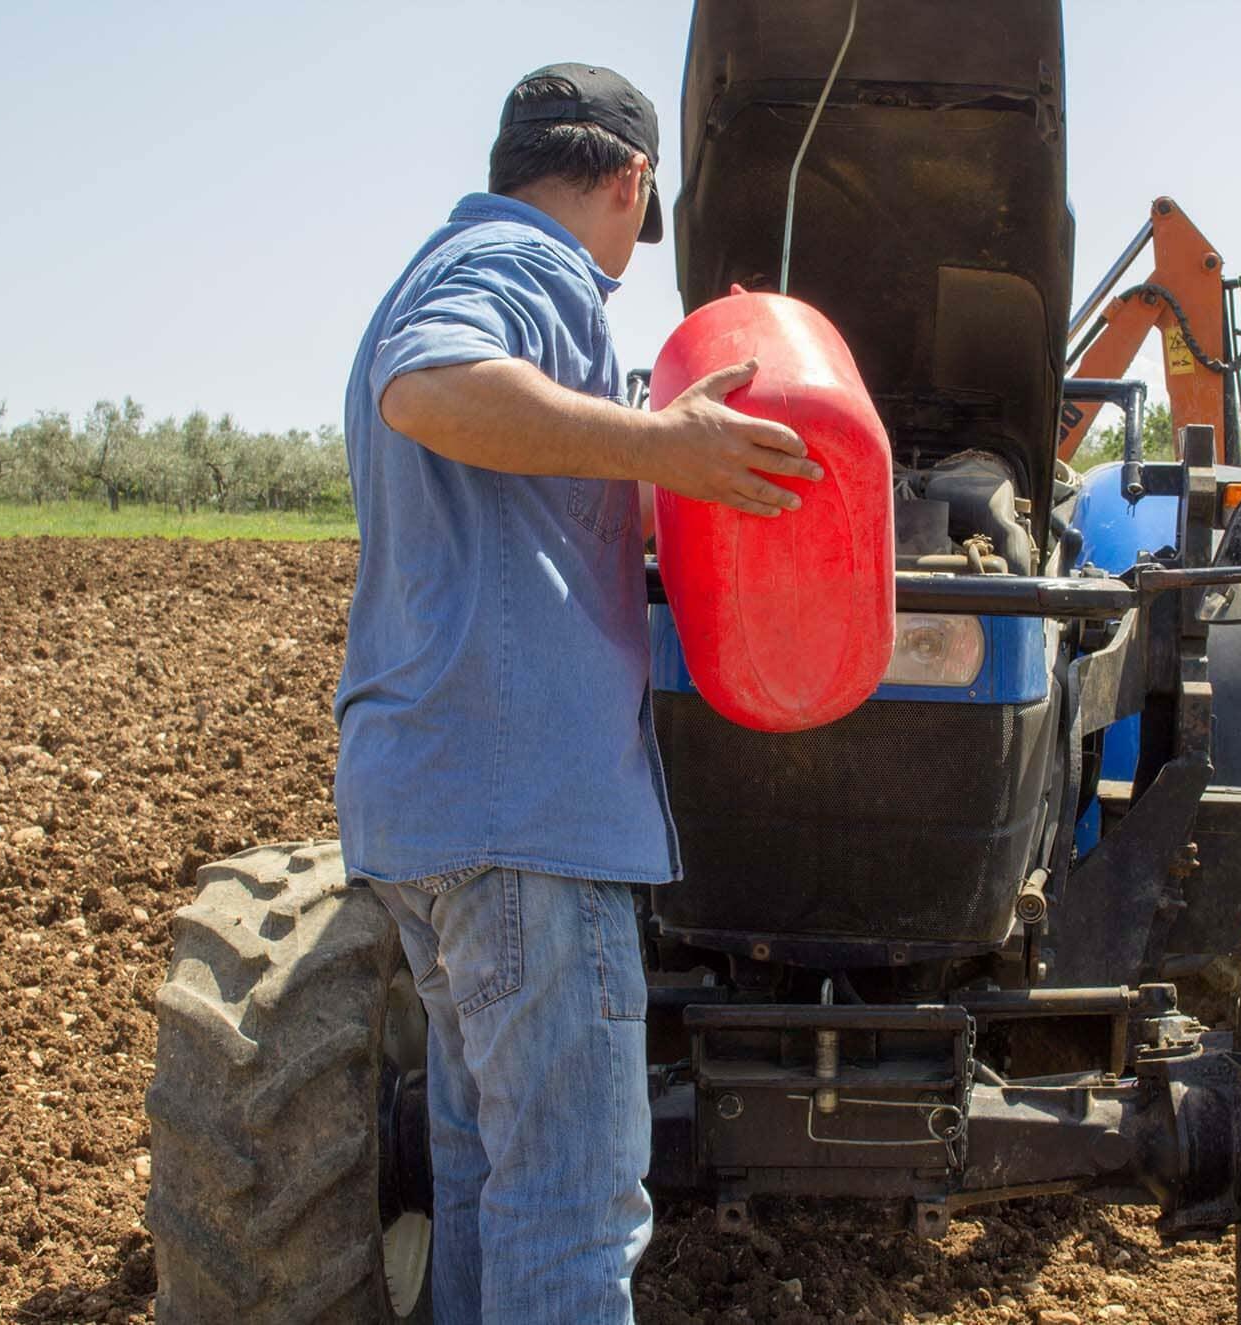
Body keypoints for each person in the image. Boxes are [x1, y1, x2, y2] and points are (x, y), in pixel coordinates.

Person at [332, 63, 820, 1324]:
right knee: (570, 1205)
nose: (620, 266)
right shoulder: (530, 270)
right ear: (627, 181)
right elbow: (431, 383)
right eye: (632, 230)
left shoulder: (436, 264)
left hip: (428, 811)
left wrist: (653, 456)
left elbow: (521, 500)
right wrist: (658, 443)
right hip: (526, 821)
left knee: (490, 1183)